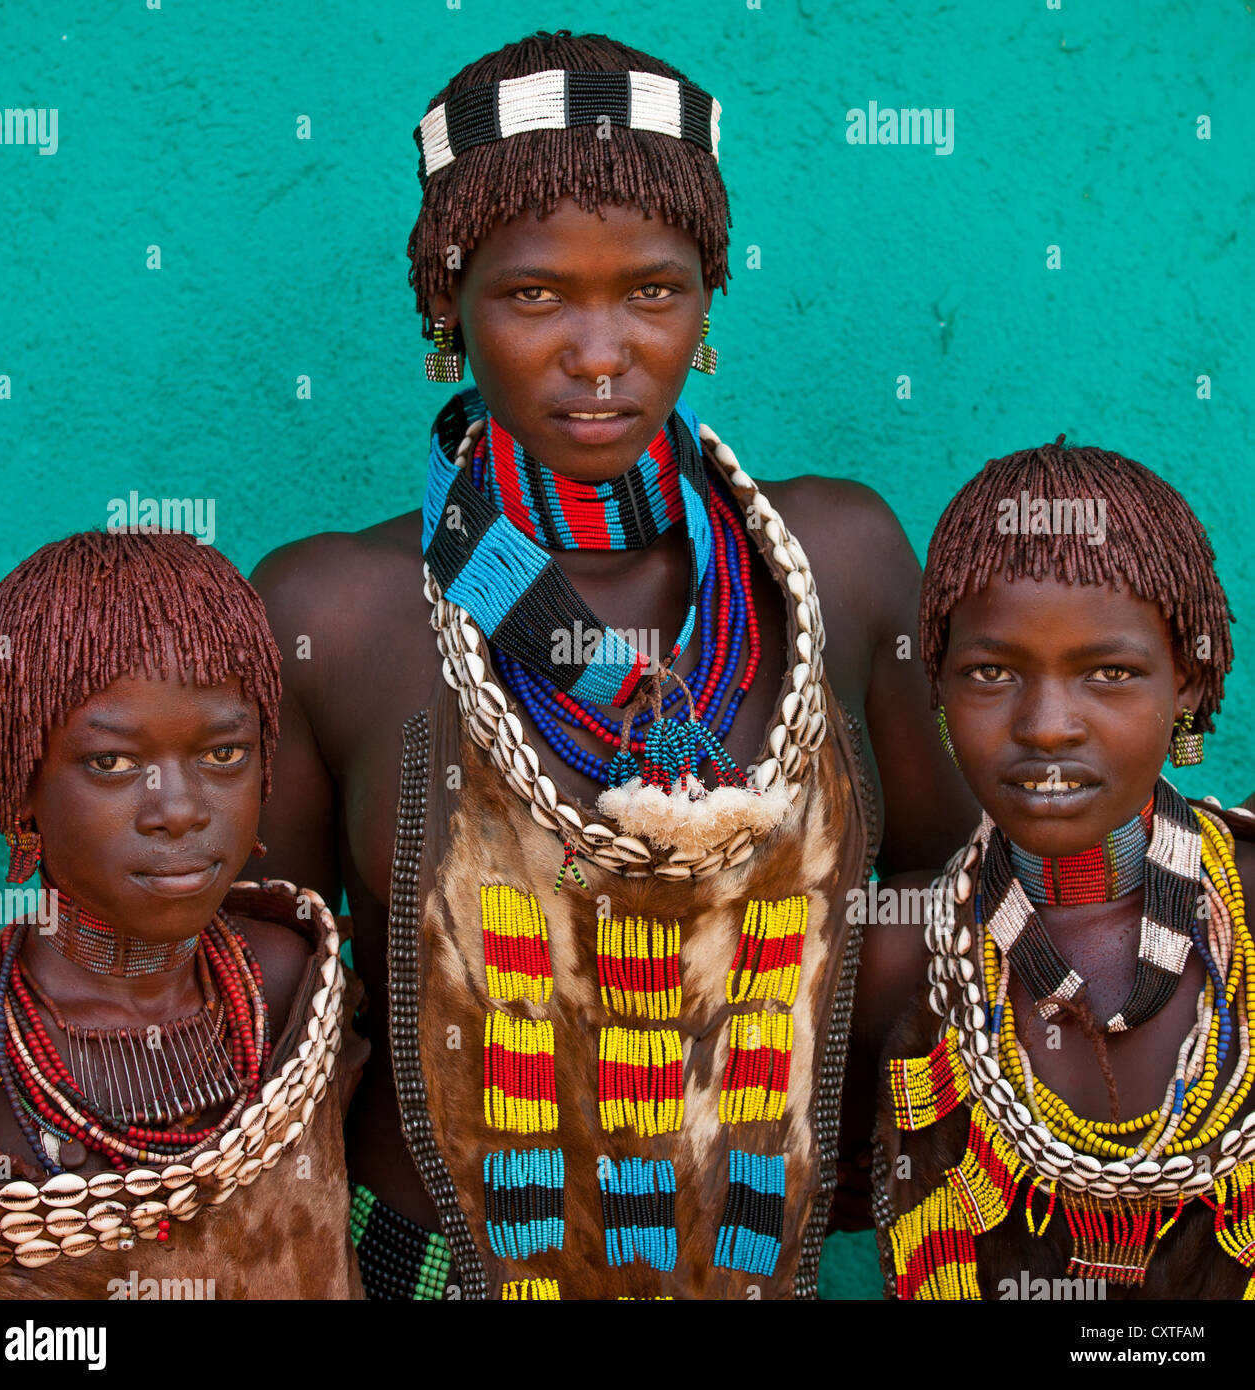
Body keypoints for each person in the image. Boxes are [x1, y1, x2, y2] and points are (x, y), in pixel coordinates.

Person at [251, 28, 975, 1299]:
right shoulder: (338, 612)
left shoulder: (837, 564)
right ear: (447, 305)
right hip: (427, 1271)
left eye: (651, 288)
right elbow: (273, 986)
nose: (599, 352)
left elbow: (939, 884)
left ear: (707, 298)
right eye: (533, 295)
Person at [865, 437, 1255, 1298]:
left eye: (1109, 673)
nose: (1046, 726)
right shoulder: (899, 957)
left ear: (1187, 680)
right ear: (936, 687)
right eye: (991, 672)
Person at [0, 531, 361, 1298]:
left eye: (222, 755)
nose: (177, 811)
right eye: (111, 764)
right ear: (22, 783)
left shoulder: (298, 993)